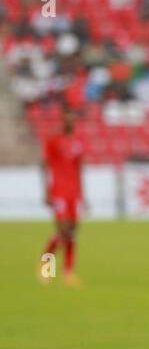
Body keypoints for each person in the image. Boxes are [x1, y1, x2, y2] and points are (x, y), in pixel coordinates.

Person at [38, 107, 85, 287]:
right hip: (58, 190)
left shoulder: (78, 142)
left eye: (73, 119)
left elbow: (79, 169)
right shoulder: (53, 140)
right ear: (62, 120)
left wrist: (83, 195)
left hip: (74, 192)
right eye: (68, 118)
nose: (70, 122)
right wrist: (46, 191)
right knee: (63, 230)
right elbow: (44, 165)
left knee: (72, 233)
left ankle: (68, 274)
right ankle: (46, 267)